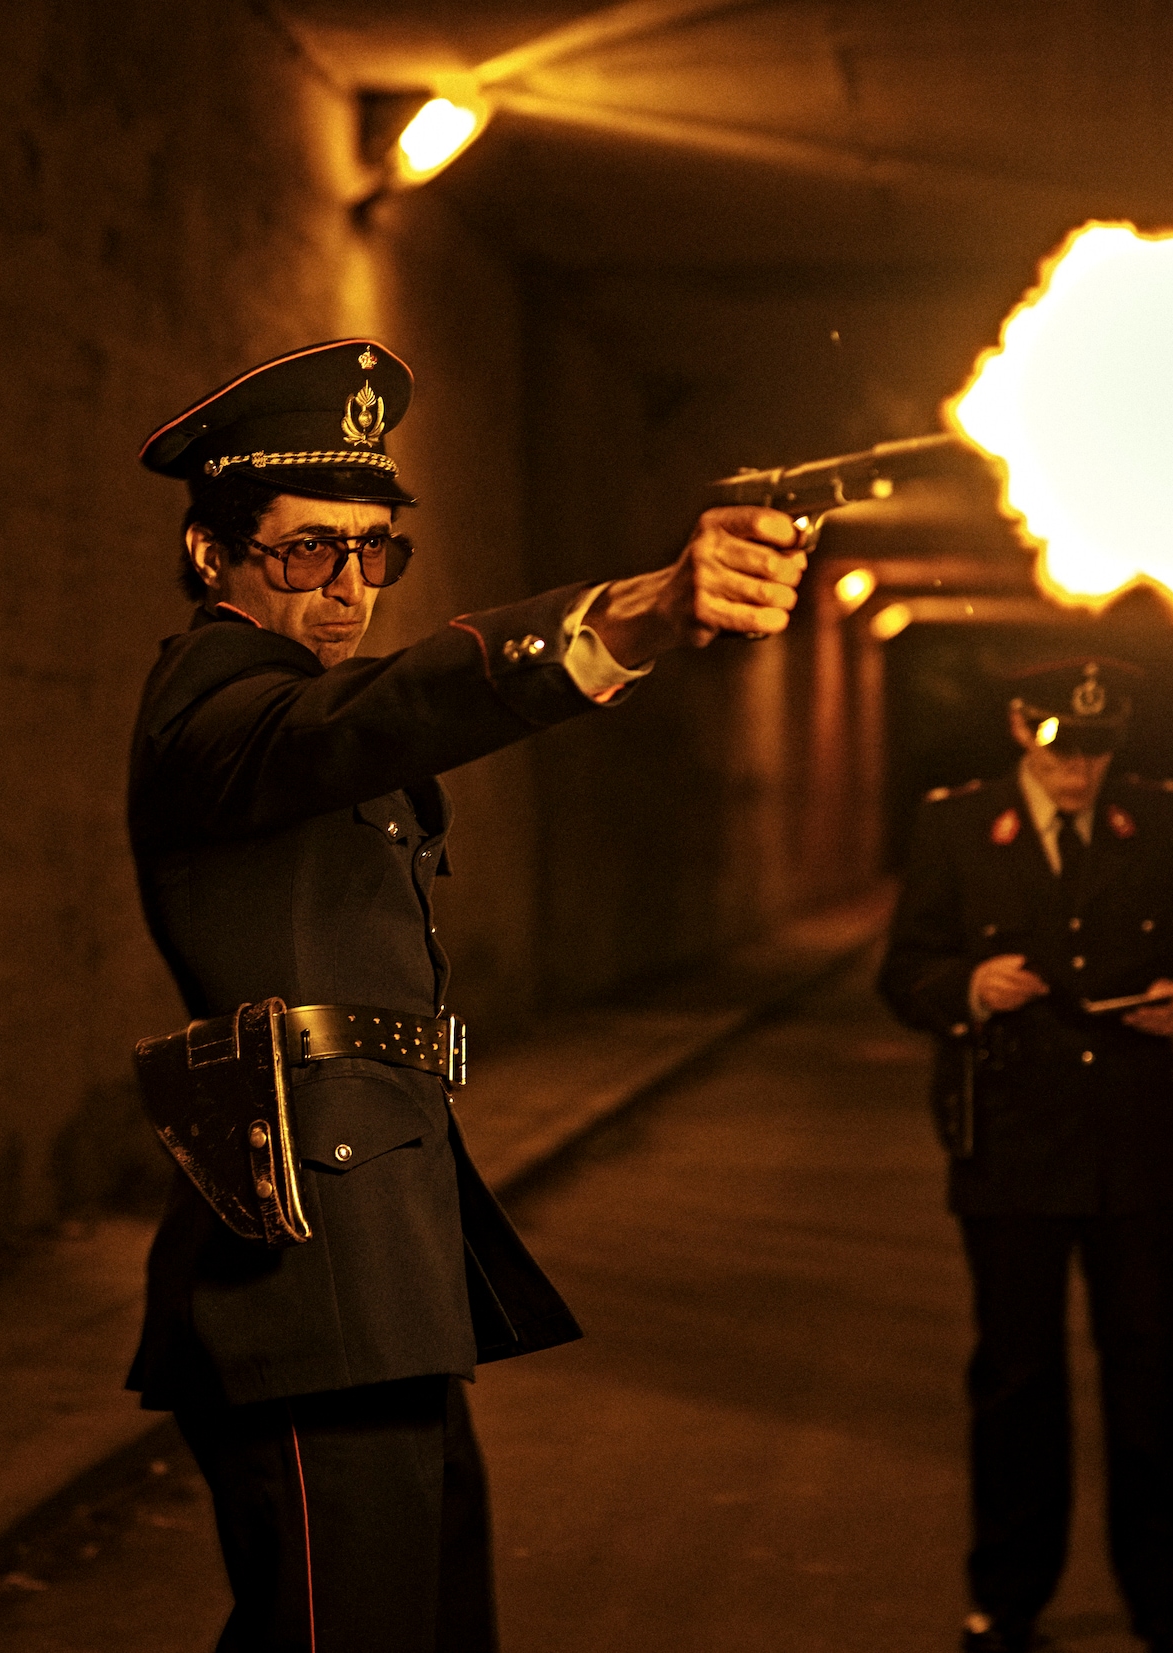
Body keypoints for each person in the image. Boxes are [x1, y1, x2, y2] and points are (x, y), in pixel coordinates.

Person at [125, 337, 807, 1652]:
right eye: (306, 549)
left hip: (376, 1258)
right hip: (305, 1269)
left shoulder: (310, 713)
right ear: (213, 555)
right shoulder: (212, 704)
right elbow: (381, 716)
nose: (346, 589)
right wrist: (629, 617)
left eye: (375, 551)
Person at [877, 659, 1173, 1653]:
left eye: (1095, 751)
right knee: (1014, 1383)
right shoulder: (955, 824)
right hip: (1011, 1145)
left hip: (1133, 1149)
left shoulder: (1157, 819)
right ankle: (1005, 1601)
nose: (1078, 770)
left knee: (1149, 1382)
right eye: (1060, 750)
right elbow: (902, 971)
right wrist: (967, 984)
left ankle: (1166, 1608)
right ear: (1018, 731)